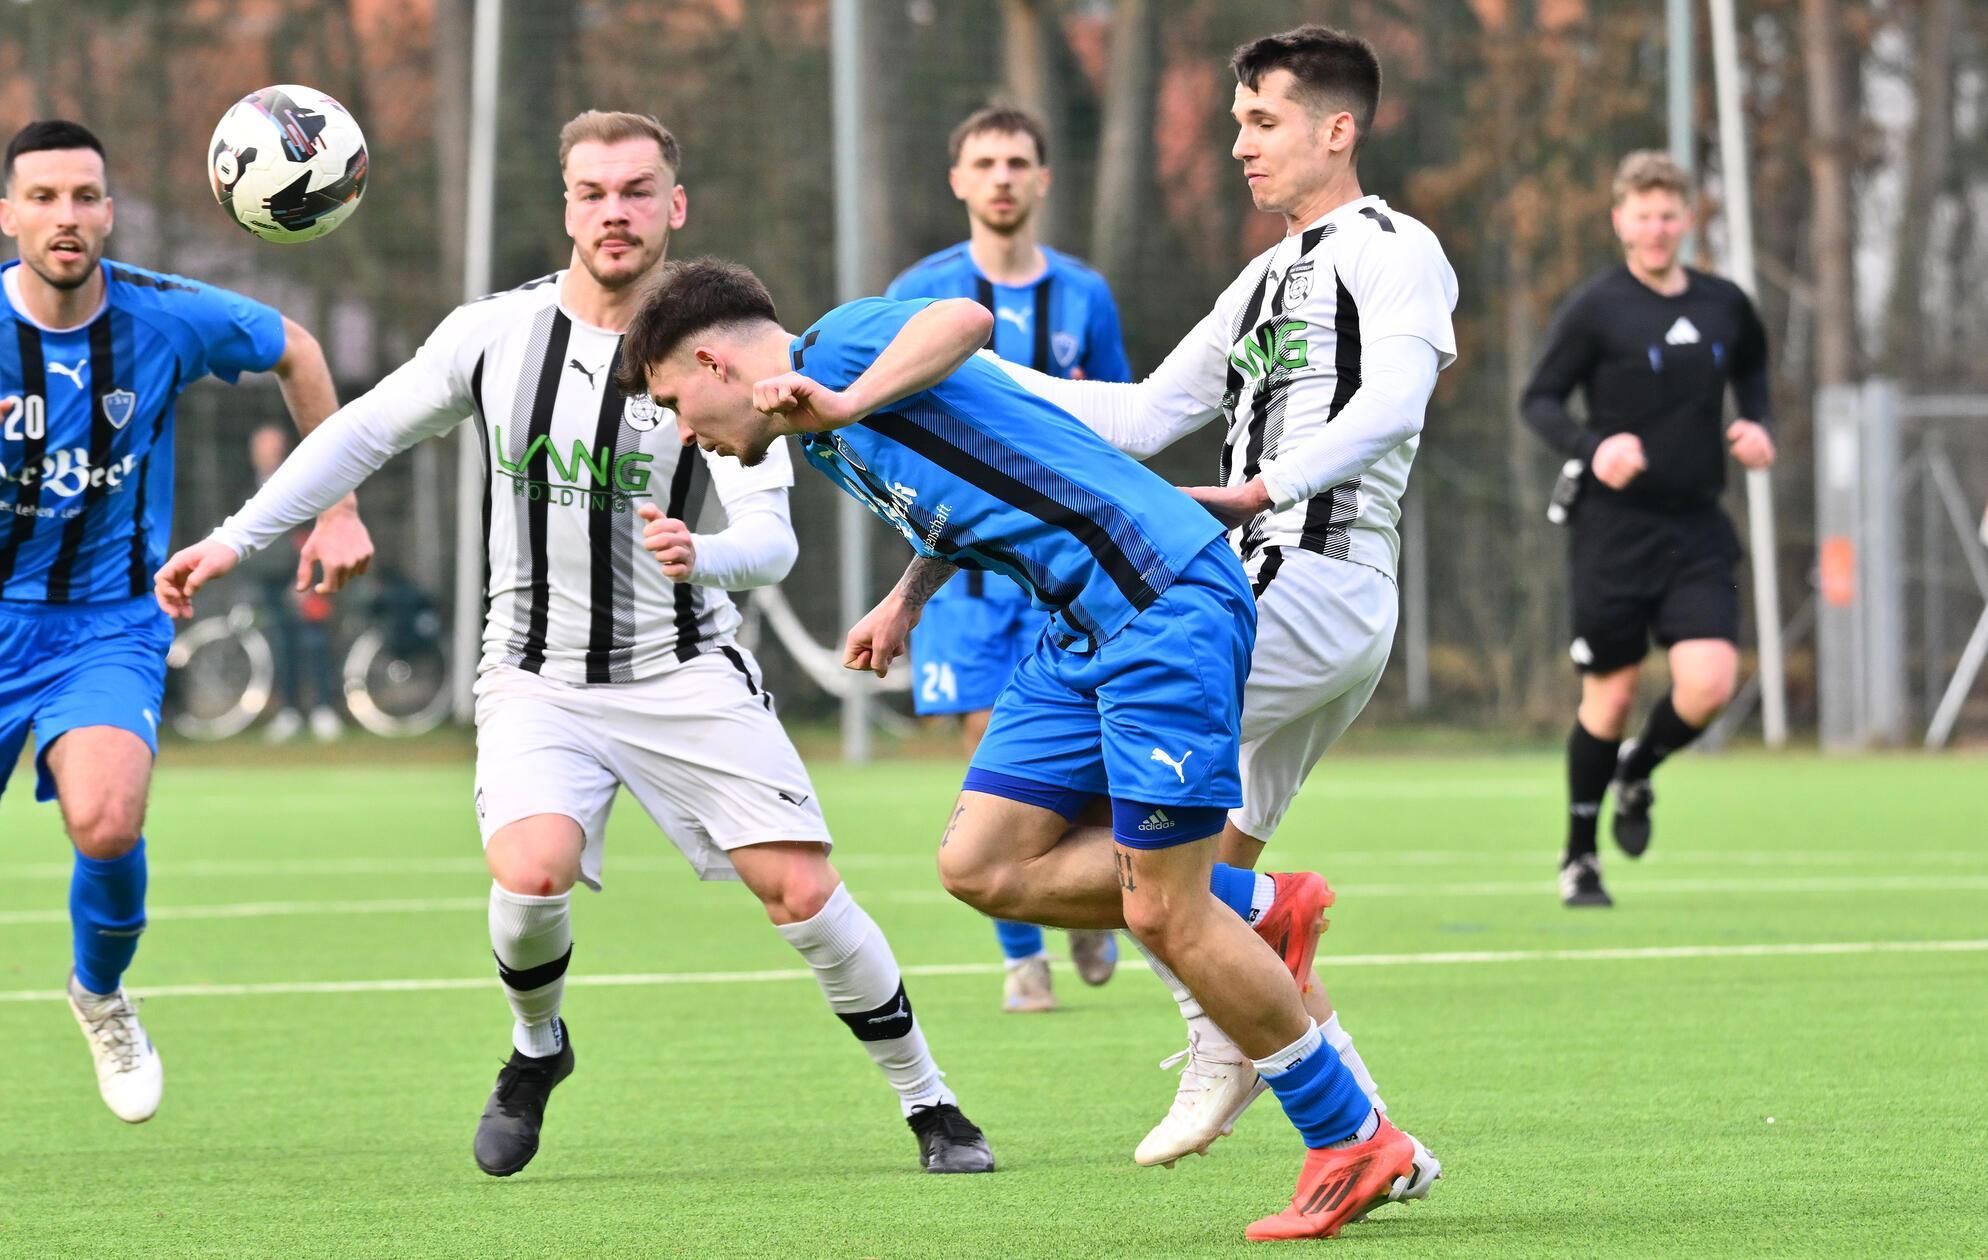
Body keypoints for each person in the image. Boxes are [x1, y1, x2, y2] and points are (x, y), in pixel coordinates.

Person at [154, 111, 993, 1178]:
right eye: (592, 192)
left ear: (674, 207)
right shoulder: (493, 336)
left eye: (637, 190)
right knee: (531, 871)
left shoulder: (721, 345)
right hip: (535, 675)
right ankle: (536, 1048)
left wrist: (709, 557)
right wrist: (234, 539)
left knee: (803, 894)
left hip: (685, 671)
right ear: (564, 207)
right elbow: (363, 429)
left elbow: (773, 539)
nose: (614, 212)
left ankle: (931, 1106)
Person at [622, 257, 1422, 1240]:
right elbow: (967, 479)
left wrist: (846, 395)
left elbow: (960, 319)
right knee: (980, 863)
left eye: (673, 402)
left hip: (1156, 599)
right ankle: (1260, 904)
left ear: (709, 361)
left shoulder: (838, 350)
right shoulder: (822, 434)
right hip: (1076, 627)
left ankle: (1349, 1138)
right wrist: (906, 598)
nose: (684, 433)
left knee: (1161, 914)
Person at [991, 24, 1451, 1192]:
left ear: (1335, 129)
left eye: (1261, 121)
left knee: (1092, 840)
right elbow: (1142, 416)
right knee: (1191, 884)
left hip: (1302, 574)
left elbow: (1396, 398)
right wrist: (958, 371)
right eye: (1236, 120)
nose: (1237, 143)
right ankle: (1370, 1145)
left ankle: (1226, 1026)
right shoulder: (1257, 276)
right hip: (1275, 594)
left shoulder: (1392, 248)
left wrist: (1266, 485)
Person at [0, 119, 372, 1124]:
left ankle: (100, 994)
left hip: (107, 623)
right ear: (9, 215)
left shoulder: (164, 316)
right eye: (43, 197)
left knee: (109, 818)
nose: (66, 217)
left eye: (84, 197)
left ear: (110, 213)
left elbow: (295, 349)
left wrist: (333, 505)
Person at [885, 104, 1131, 1012]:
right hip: (967, 575)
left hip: (1064, 570)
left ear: (1042, 179)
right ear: (958, 180)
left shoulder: (1084, 297)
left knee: (1086, 749)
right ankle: (1023, 953)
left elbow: (1119, 419)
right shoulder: (921, 288)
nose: (1001, 176)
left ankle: (1086, 908)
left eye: (1017, 161)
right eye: (983, 161)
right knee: (992, 747)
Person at [1521, 150, 1774, 908]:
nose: (1656, 228)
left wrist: (1757, 424)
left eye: (1669, 214)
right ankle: (1578, 858)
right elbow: (1539, 401)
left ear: (1687, 220)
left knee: (1710, 683)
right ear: (1619, 220)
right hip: (1614, 532)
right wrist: (1595, 448)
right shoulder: (1598, 308)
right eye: (1642, 215)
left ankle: (1638, 769)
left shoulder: (1726, 303)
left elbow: (1755, 370)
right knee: (1611, 692)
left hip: (1697, 526)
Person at [243, 424, 344, 743]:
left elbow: (310, 533)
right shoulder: (244, 489)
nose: (267, 455)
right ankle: (289, 711)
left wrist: (307, 579)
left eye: (273, 448)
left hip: (300, 580)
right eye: (262, 448)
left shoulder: (300, 482)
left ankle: (323, 709)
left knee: (314, 644)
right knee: (279, 646)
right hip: (265, 583)